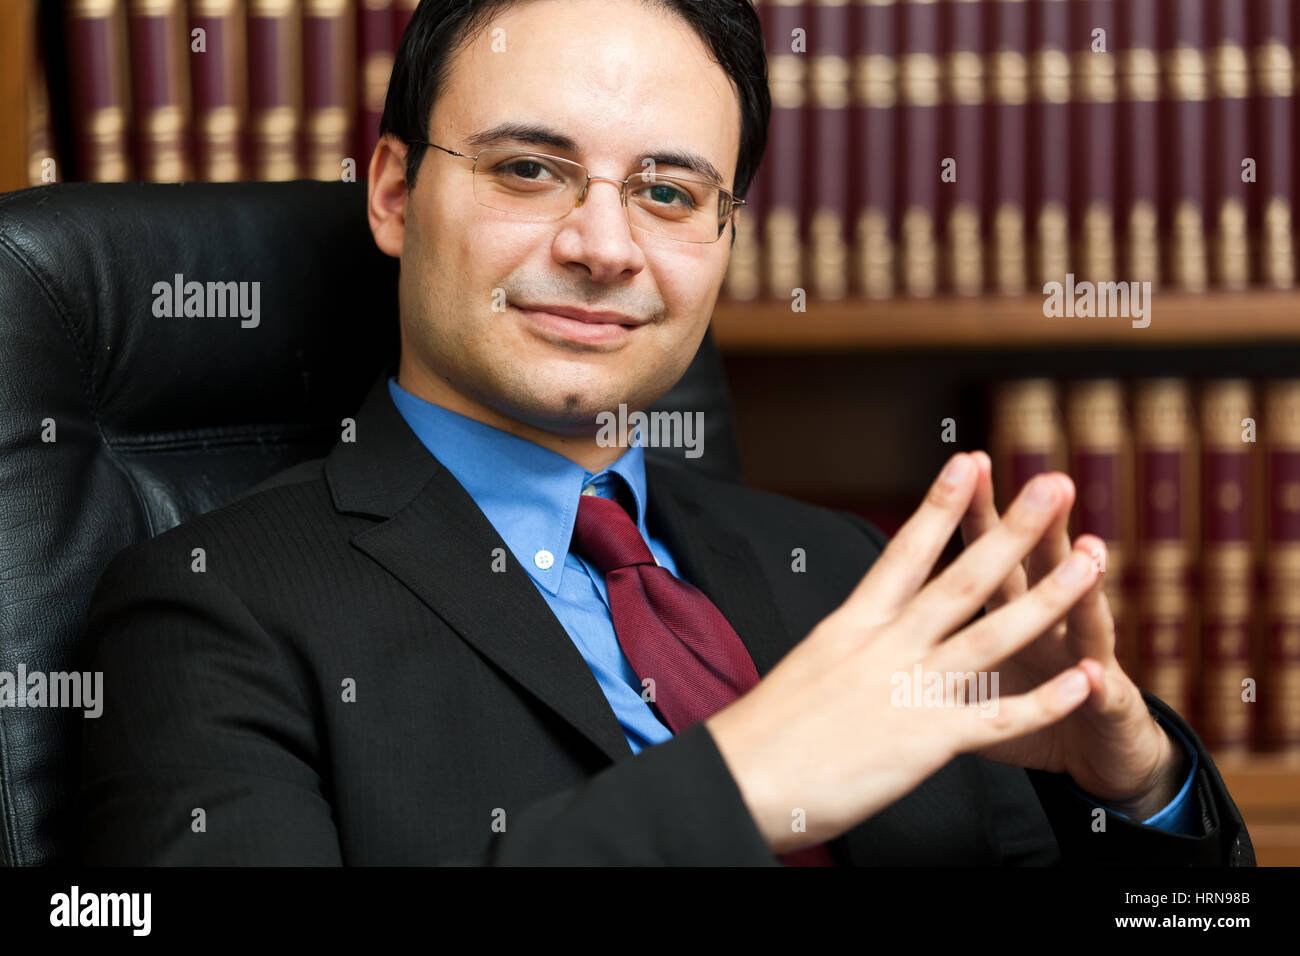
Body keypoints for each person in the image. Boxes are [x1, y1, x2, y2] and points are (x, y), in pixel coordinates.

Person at [80, 0, 1253, 865]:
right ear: (393, 193)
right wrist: (741, 782)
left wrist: (1137, 783)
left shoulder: (854, 576)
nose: (603, 245)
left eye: (670, 192)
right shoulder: (202, 609)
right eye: (530, 169)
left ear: (726, 238)